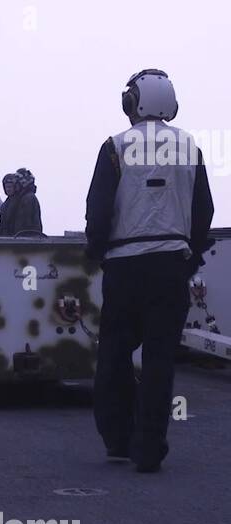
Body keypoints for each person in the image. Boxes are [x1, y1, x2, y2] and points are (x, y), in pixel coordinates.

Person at [85, 69, 214, 473]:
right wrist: (187, 257)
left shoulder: (114, 147)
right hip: (170, 267)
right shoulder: (189, 148)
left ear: (132, 103)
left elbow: (99, 210)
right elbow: (203, 211)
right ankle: (149, 448)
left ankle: (117, 438)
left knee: (114, 355)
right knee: (160, 360)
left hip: (124, 267)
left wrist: (97, 253)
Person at [0, 168, 43, 236]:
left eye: (13, 185)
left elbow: (26, 223)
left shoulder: (28, 198)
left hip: (24, 241)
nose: (8, 189)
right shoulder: (9, 202)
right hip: (12, 240)